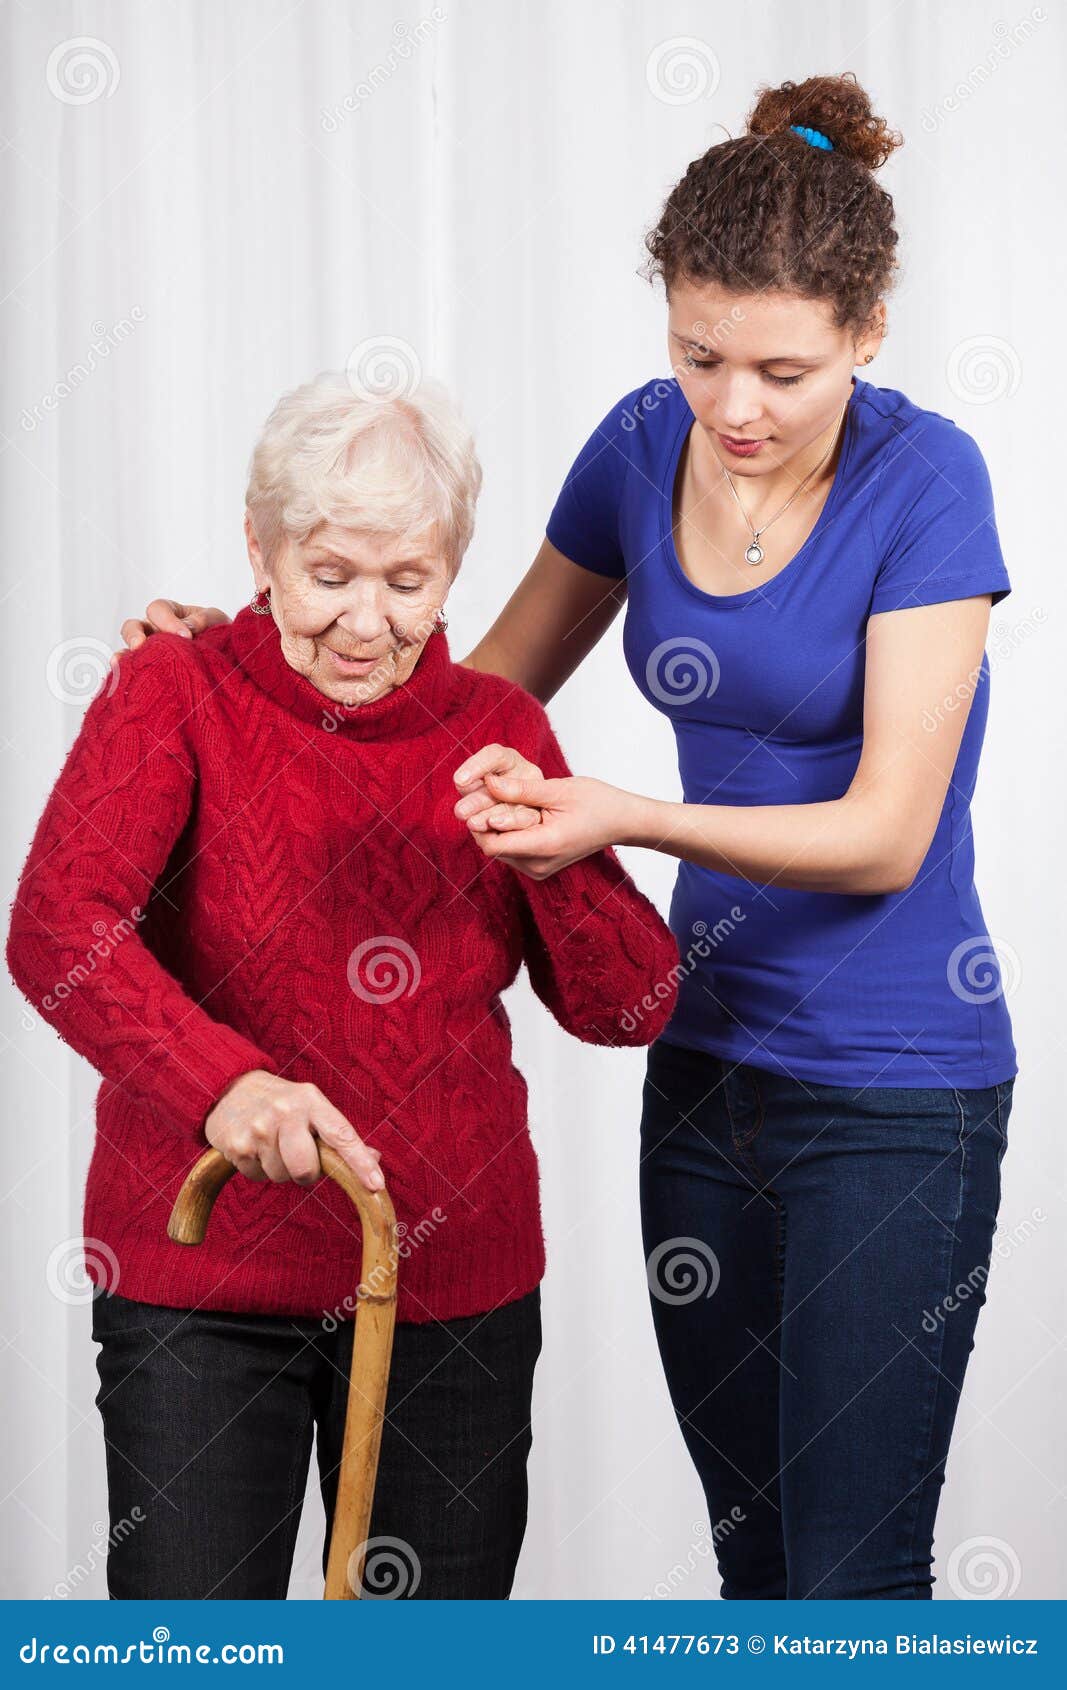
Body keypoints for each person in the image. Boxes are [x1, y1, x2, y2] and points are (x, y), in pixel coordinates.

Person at [116, 72, 1018, 1600]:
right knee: (754, 1566)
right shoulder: (640, 442)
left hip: (891, 1091)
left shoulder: (926, 487)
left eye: (783, 371)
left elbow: (882, 831)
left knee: (853, 1583)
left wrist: (626, 815)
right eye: (699, 354)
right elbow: (464, 697)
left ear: (866, 335)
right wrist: (263, 644)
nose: (732, 406)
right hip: (705, 1068)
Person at [6, 371, 681, 1601]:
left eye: (406, 581)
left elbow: (628, 1007)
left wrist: (558, 859)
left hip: (452, 1286)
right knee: (197, 1658)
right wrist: (227, 1087)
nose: (365, 622)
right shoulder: (173, 688)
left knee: (421, 1666)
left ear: (451, 570)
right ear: (258, 551)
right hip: (201, 1280)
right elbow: (60, 928)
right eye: (329, 576)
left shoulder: (499, 726)